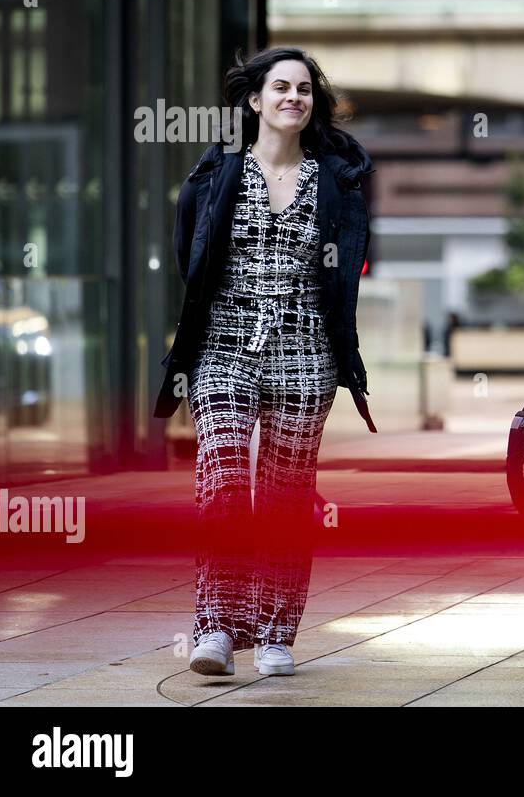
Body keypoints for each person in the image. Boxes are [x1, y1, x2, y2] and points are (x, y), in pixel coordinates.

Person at [153, 45, 376, 678]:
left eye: (304, 90)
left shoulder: (337, 181)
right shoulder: (215, 173)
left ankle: (276, 631)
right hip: (224, 347)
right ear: (255, 101)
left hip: (306, 354)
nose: (293, 99)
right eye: (280, 88)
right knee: (222, 480)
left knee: (284, 494)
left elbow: (348, 269)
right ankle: (216, 628)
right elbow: (189, 259)